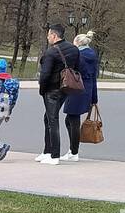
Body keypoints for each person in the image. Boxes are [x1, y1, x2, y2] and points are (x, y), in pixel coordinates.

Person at [36, 23, 80, 165]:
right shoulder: (73, 49)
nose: (48, 37)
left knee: (52, 120)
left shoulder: (51, 52)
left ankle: (54, 155)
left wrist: (42, 90)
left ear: (54, 35)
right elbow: (77, 68)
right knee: (48, 118)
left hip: (52, 90)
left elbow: (45, 75)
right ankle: (47, 151)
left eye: (49, 34)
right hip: (65, 89)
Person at [62, 32, 99, 160]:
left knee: (72, 120)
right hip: (87, 89)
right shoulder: (93, 55)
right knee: (72, 119)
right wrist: (94, 98)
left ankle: (73, 152)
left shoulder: (77, 55)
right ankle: (73, 150)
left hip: (76, 88)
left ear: (77, 43)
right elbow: (94, 77)